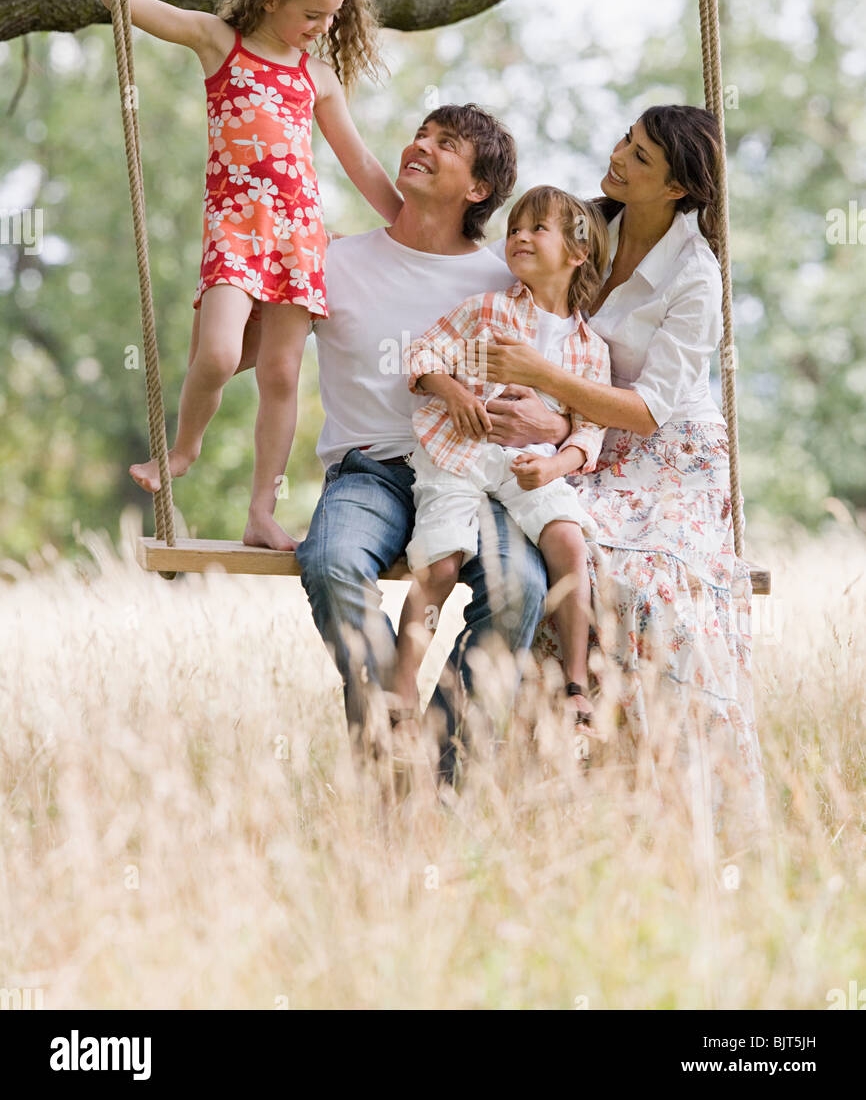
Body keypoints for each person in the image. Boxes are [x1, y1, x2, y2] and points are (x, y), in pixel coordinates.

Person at [62, 0, 402, 551]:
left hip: (300, 238)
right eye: (311, 15)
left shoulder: (317, 77)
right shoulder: (220, 43)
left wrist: (411, 228)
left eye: (331, 17)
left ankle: (260, 511)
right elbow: (121, 2)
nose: (322, 28)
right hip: (236, 230)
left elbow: (360, 163)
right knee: (217, 355)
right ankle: (181, 452)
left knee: (280, 375)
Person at [482, 106, 765, 828]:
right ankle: (560, 792)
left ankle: (678, 788)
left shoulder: (696, 277)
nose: (618, 157)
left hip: (669, 454)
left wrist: (547, 382)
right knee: (561, 559)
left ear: (675, 190)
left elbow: (647, 410)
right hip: (585, 443)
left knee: (646, 586)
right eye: (626, 142)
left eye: (639, 159)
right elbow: (522, 300)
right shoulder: (583, 228)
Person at [294, 104, 549, 770]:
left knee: (520, 586)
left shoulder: (505, 281)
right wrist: (228, 299)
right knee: (329, 562)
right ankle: (387, 737)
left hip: (468, 478)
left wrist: (550, 424)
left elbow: (557, 385)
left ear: (479, 189)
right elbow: (255, 356)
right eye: (421, 136)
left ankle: (443, 771)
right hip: (369, 473)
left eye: (447, 144)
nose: (421, 146)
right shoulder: (334, 260)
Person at [390, 187, 611, 740]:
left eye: (538, 229)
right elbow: (421, 353)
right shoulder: (489, 309)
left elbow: (590, 430)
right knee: (440, 563)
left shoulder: (591, 348)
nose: (519, 237)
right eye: (515, 228)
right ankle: (399, 687)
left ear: (577, 252)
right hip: (459, 456)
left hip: (528, 464)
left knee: (568, 540)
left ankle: (577, 683)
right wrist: (454, 394)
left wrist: (555, 468)